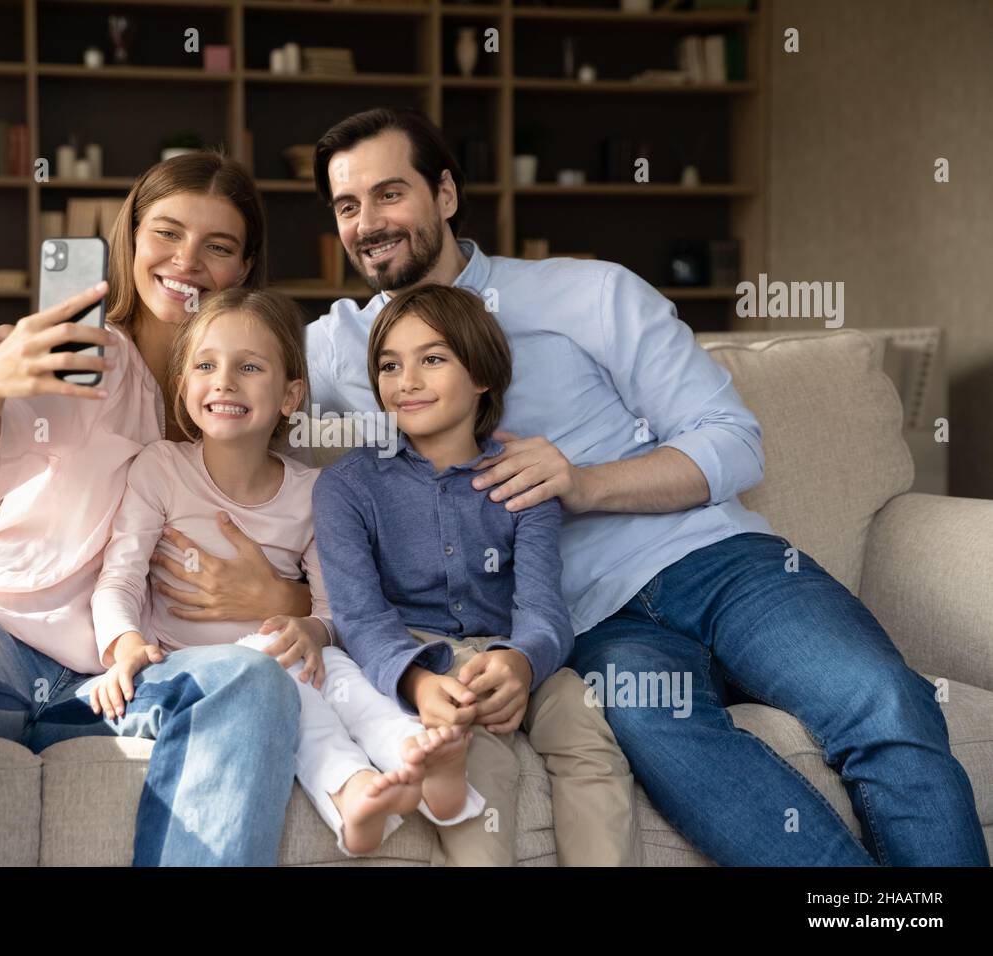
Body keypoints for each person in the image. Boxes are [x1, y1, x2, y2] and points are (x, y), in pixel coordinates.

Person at [306, 106, 988, 866]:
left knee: (881, 700)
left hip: (721, 564)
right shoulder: (345, 346)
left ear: (445, 194)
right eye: (347, 205)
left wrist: (583, 483)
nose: (369, 222)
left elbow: (732, 441)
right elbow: (220, 368)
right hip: (595, 624)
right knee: (671, 742)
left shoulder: (589, 293)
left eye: (389, 193)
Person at [0, 152, 311, 866]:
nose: (186, 262)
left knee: (255, 684)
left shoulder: (250, 395)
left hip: (144, 674)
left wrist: (282, 597)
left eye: (218, 247)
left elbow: (330, 572)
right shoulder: (90, 359)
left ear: (244, 267)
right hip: (0, 643)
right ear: (130, 241)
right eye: (165, 234)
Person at [92, 286, 485, 857]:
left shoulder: (312, 491)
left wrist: (313, 631)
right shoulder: (160, 469)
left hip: (284, 654)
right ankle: (351, 790)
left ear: (290, 396)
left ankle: (419, 756)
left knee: (340, 673)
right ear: (183, 386)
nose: (224, 381)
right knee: (282, 681)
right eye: (206, 365)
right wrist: (125, 644)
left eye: (249, 367)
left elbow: (335, 607)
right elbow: (120, 577)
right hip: (193, 672)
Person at [313, 283, 637, 866]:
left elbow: (542, 604)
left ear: (482, 375)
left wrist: (522, 659)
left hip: (518, 656)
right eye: (390, 365)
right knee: (479, 753)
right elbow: (359, 617)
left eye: (432, 359)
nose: (407, 380)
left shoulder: (522, 478)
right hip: (423, 656)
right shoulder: (346, 487)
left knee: (585, 729)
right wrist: (417, 683)